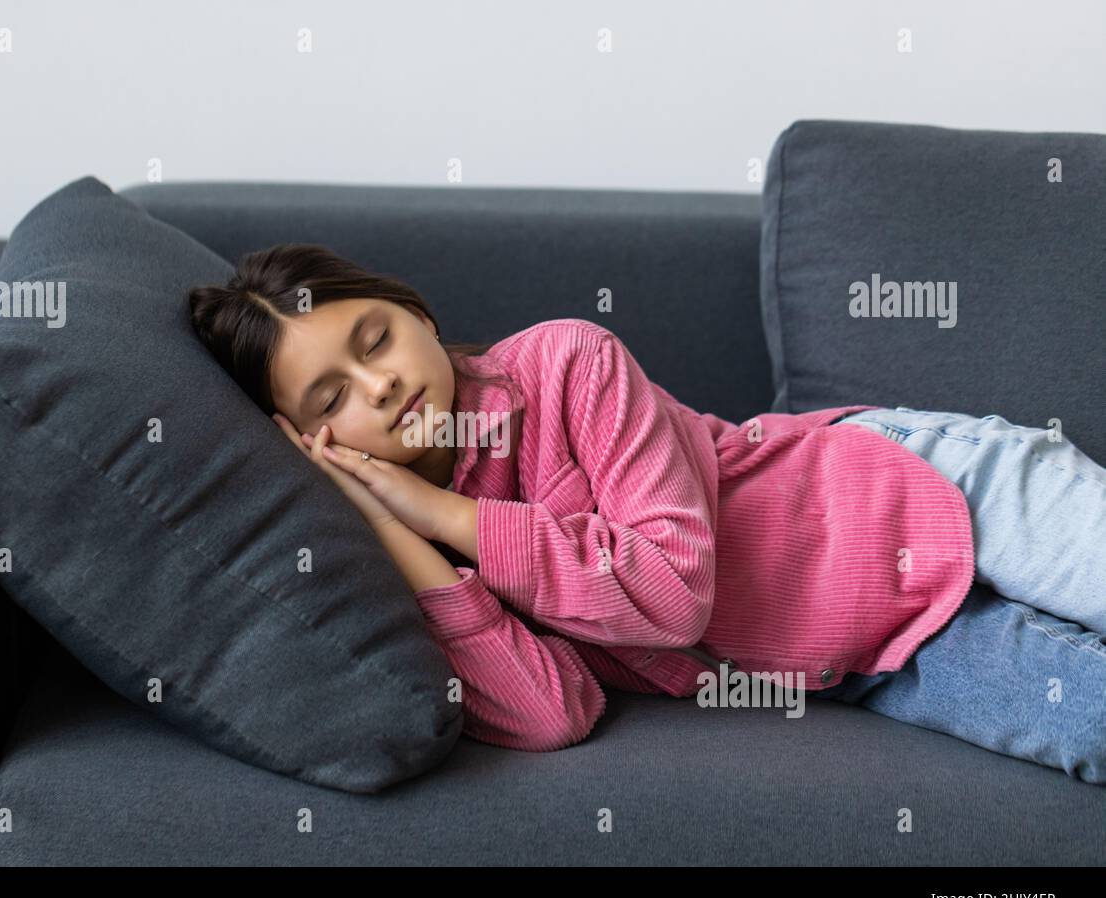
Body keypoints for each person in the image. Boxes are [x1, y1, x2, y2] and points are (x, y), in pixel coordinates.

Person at [188, 242, 1106, 784]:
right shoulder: (416, 541)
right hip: (869, 657)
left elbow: (672, 595)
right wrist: (401, 535)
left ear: (413, 312)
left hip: (913, 481)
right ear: (312, 446)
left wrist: (448, 515)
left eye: (375, 337)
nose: (381, 383)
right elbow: (553, 713)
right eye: (331, 398)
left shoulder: (565, 362)